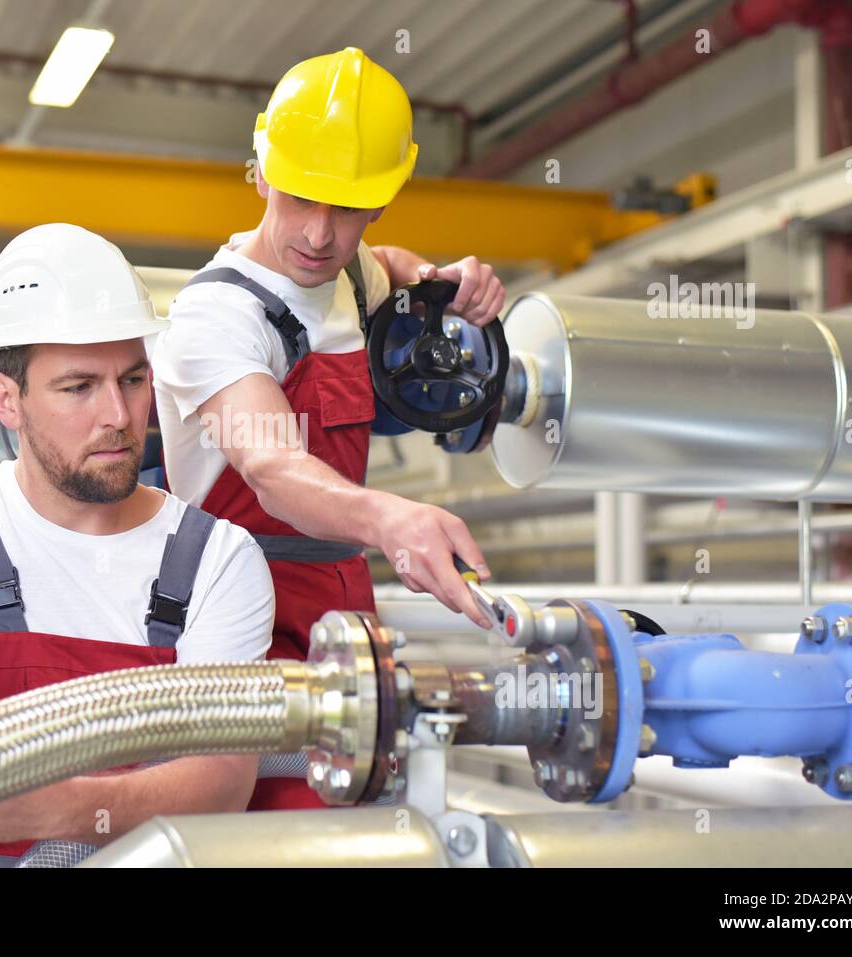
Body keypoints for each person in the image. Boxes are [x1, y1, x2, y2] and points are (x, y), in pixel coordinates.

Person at [150, 48, 505, 809]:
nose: (319, 234)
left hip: (342, 605)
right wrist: (392, 518)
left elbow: (395, 268)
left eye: (347, 209)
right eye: (302, 199)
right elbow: (274, 468)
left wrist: (451, 284)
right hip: (240, 608)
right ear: (260, 174)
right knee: (268, 822)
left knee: (361, 811)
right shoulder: (219, 313)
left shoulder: (352, 274)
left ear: (381, 200)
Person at [0, 223, 274, 866]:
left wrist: (53, 808)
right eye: (79, 387)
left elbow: (222, 783)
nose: (117, 414)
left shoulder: (218, 560)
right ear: (8, 400)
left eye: (134, 380)